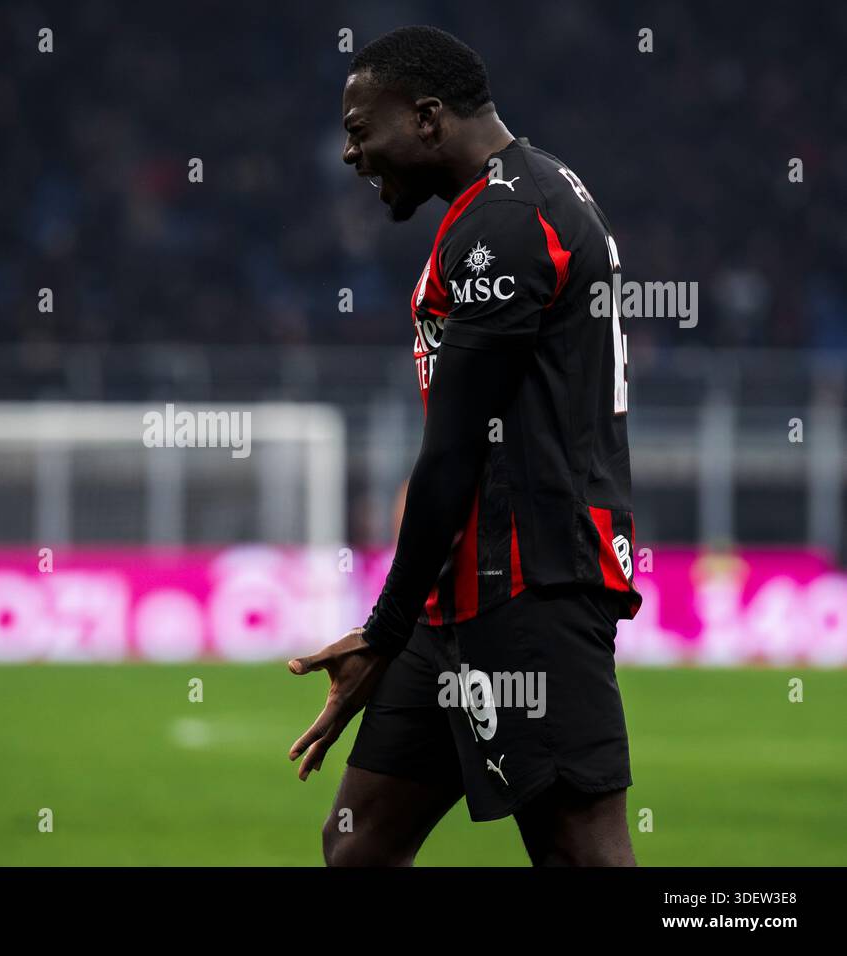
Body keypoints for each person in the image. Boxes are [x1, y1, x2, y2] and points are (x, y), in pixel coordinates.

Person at [288, 25, 641, 866]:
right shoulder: (512, 201)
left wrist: (383, 627)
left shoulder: (507, 223)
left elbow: (453, 450)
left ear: (428, 118)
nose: (349, 153)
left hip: (533, 582)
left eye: (359, 128)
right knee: (358, 842)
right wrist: (406, 624)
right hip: (458, 590)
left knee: (579, 849)